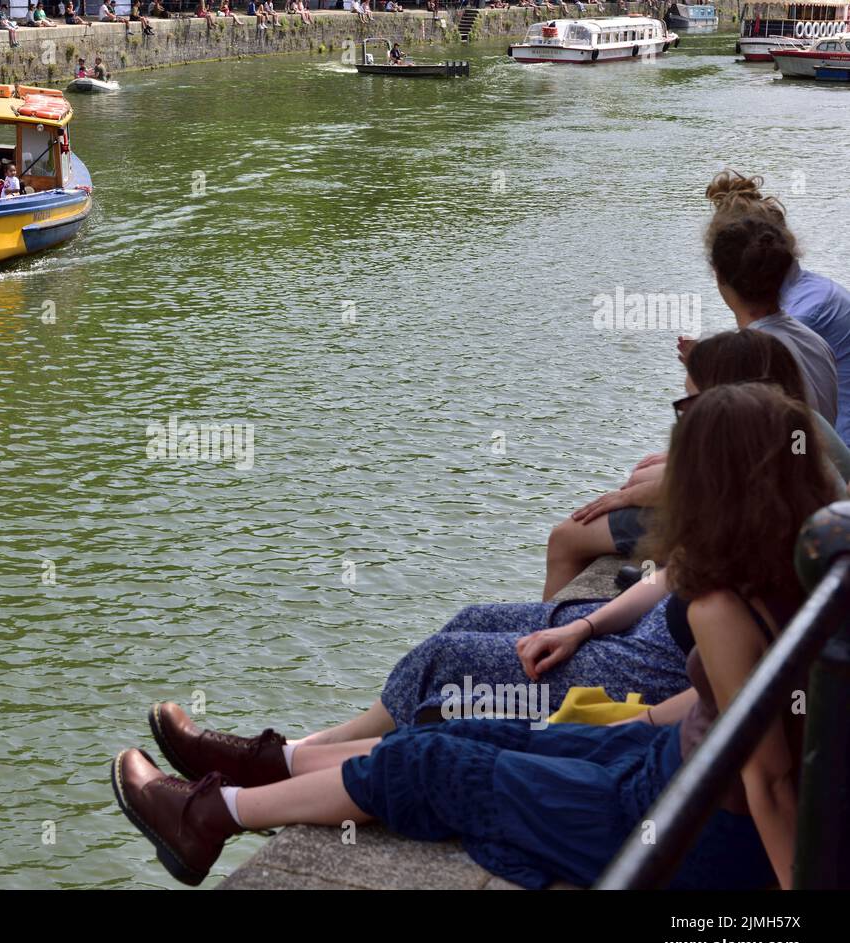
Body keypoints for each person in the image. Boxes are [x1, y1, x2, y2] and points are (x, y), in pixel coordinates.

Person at [113, 382, 840, 889]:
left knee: (434, 764)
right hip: (665, 764)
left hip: (687, 825)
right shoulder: (800, 566)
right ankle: (259, 774)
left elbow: (771, 777)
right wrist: (638, 718)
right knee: (477, 727)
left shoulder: (721, 600)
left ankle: (211, 815)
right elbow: (740, 706)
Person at [543, 205, 842, 600]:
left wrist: (626, 496)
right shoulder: (808, 337)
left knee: (566, 536)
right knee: (649, 470)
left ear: (719, 277)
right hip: (793, 498)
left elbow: (719, 476)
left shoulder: (753, 356)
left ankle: (552, 632)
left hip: (758, 516)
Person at [707, 170, 850, 446]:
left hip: (835, 457)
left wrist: (705, 375)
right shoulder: (807, 300)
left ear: (721, 270)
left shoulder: (805, 311)